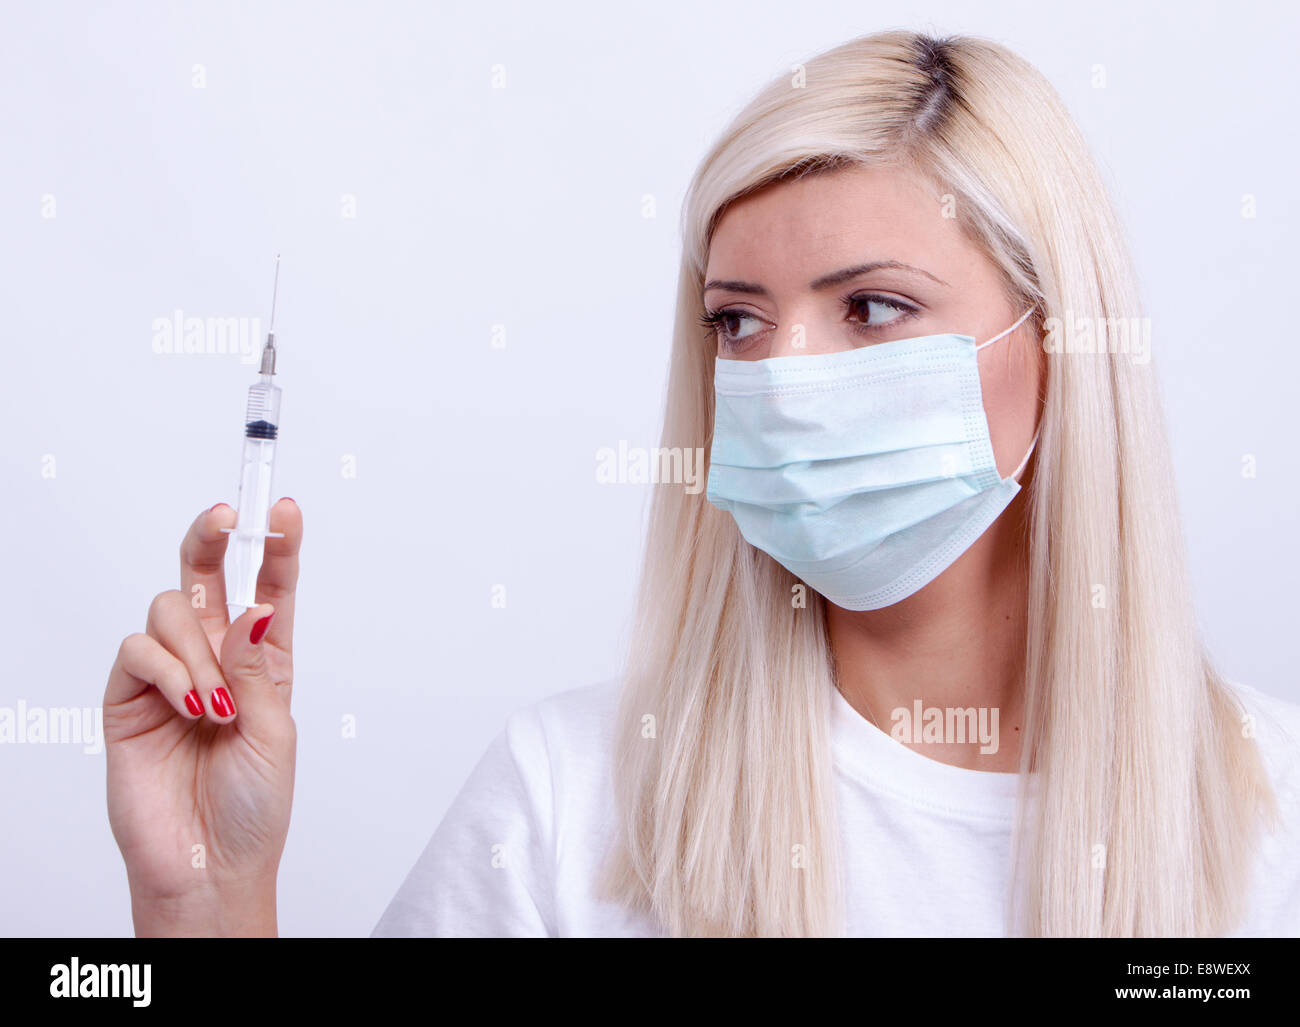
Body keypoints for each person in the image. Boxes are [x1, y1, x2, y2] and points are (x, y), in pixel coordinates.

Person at [106, 30, 1300, 938]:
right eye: (738, 321)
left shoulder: (1271, 811)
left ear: (1059, 343)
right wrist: (209, 897)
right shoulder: (570, 800)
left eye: (872, 308)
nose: (782, 377)